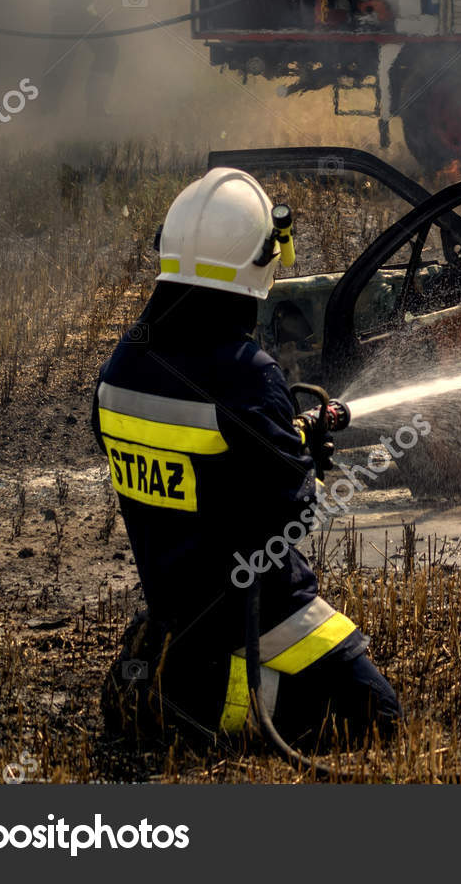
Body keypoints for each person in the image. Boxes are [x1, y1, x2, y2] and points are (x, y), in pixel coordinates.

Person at [96, 167, 400, 753]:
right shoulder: (247, 374)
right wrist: (302, 457)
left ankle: (169, 674)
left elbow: (198, 459)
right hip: (253, 610)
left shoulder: (121, 366)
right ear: (258, 262)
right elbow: (292, 512)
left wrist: (274, 438)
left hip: (173, 605)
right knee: (376, 714)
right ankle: (207, 700)